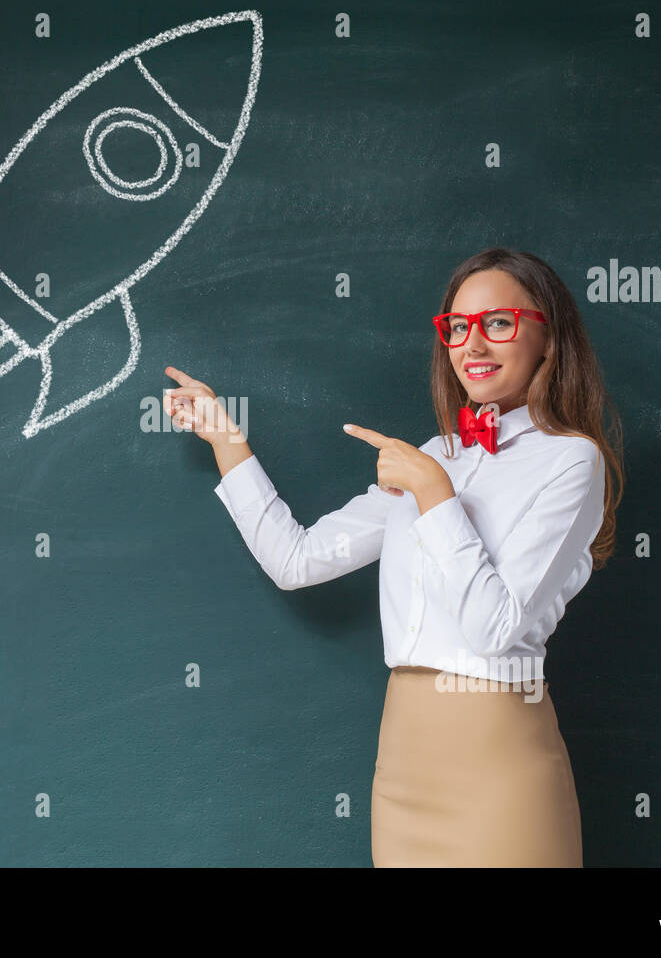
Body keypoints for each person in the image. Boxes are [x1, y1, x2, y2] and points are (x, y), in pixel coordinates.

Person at [163, 247, 624, 866]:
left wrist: (433, 492)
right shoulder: (438, 452)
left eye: (498, 323)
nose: (473, 346)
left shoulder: (571, 460)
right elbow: (296, 560)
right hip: (403, 754)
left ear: (548, 336)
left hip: (499, 753)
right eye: (457, 328)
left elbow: (495, 628)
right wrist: (226, 438)